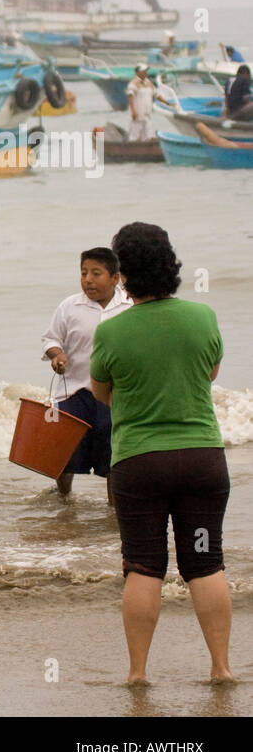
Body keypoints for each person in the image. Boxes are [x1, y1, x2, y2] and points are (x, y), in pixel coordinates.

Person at [89, 222, 231, 685]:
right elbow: (208, 373)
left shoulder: (113, 331)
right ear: (171, 265)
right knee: (205, 561)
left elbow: (101, 393)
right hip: (202, 460)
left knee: (144, 566)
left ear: (123, 274)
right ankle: (221, 669)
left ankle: (137, 673)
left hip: (139, 464)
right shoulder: (203, 317)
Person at [41, 247, 132, 501]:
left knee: (113, 454)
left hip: (115, 396)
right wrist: (57, 355)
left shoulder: (129, 307)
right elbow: (50, 339)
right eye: (83, 273)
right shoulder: (70, 306)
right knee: (65, 452)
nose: (88, 280)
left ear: (115, 278)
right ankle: (63, 497)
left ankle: (115, 507)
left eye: (96, 273)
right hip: (74, 390)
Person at [126, 64, 158, 141]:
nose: (146, 73)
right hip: (138, 114)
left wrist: (167, 103)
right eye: (143, 71)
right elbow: (130, 97)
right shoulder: (133, 83)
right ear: (137, 73)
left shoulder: (148, 82)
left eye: (146, 72)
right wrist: (133, 111)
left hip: (147, 114)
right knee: (134, 136)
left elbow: (156, 94)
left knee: (147, 135)